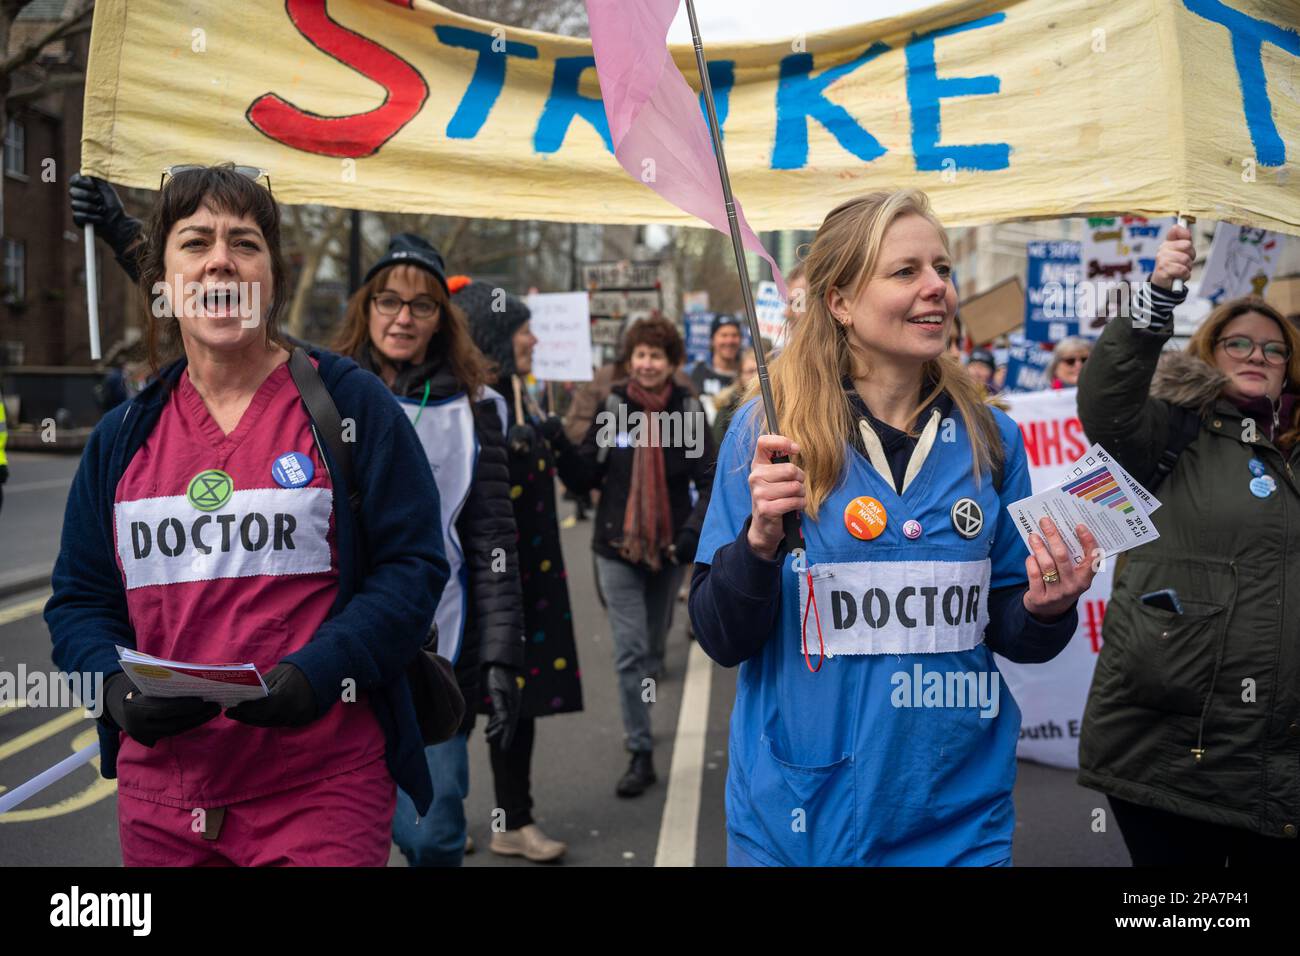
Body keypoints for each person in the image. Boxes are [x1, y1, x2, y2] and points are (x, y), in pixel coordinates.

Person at [45, 164, 449, 866]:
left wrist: (323, 671)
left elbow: (413, 571)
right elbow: (78, 602)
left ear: (274, 279)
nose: (220, 260)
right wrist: (112, 690)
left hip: (322, 785)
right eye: (195, 242)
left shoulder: (350, 406)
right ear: (164, 283)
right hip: (165, 797)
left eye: (245, 242)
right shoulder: (123, 436)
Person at [688, 189, 1097, 866]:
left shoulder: (992, 438)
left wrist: (1046, 608)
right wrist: (759, 543)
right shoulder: (767, 431)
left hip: (957, 819)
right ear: (840, 302)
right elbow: (720, 636)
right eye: (906, 271)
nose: (937, 286)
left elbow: (1012, 632)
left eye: (941, 268)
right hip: (800, 822)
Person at [1076, 222, 1300, 865]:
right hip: (1173, 740)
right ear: (1209, 353)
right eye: (1238, 343)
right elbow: (1107, 399)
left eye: (1273, 349)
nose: (1257, 355)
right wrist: (1158, 293)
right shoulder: (1169, 433)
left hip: (1278, 750)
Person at [332, 235, 525, 867]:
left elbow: (493, 541)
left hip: (436, 652)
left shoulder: (477, 408)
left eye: (422, 305)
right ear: (366, 307)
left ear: (443, 320)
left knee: (431, 834)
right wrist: (129, 244)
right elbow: (215, 333)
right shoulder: (317, 395)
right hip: (332, 650)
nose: (403, 317)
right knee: (336, 836)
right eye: (389, 300)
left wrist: (501, 657)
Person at [458, 275, 586, 862]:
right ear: (492, 337)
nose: (533, 339)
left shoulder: (522, 396)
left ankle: (513, 819)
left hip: (527, 581)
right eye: (521, 329)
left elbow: (577, 475)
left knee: (517, 699)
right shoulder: (461, 405)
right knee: (454, 702)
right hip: (472, 584)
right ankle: (437, 813)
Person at [566, 316, 716, 797]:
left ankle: (645, 703)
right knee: (629, 652)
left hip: (670, 549)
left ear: (671, 363)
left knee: (652, 647)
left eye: (656, 356)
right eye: (640, 355)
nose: (647, 364)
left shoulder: (689, 411)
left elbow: (712, 481)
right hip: (616, 546)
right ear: (629, 360)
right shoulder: (612, 407)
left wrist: (693, 534)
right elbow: (585, 475)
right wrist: (556, 446)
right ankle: (640, 750)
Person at [711, 338, 769, 446]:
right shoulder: (727, 407)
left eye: (760, 370)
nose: (757, 376)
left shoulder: (776, 405)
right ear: (741, 376)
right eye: (751, 371)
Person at [689, 314, 743, 408]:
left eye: (734, 335)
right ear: (712, 339)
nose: (729, 341)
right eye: (724, 335)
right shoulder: (696, 372)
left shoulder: (748, 374)